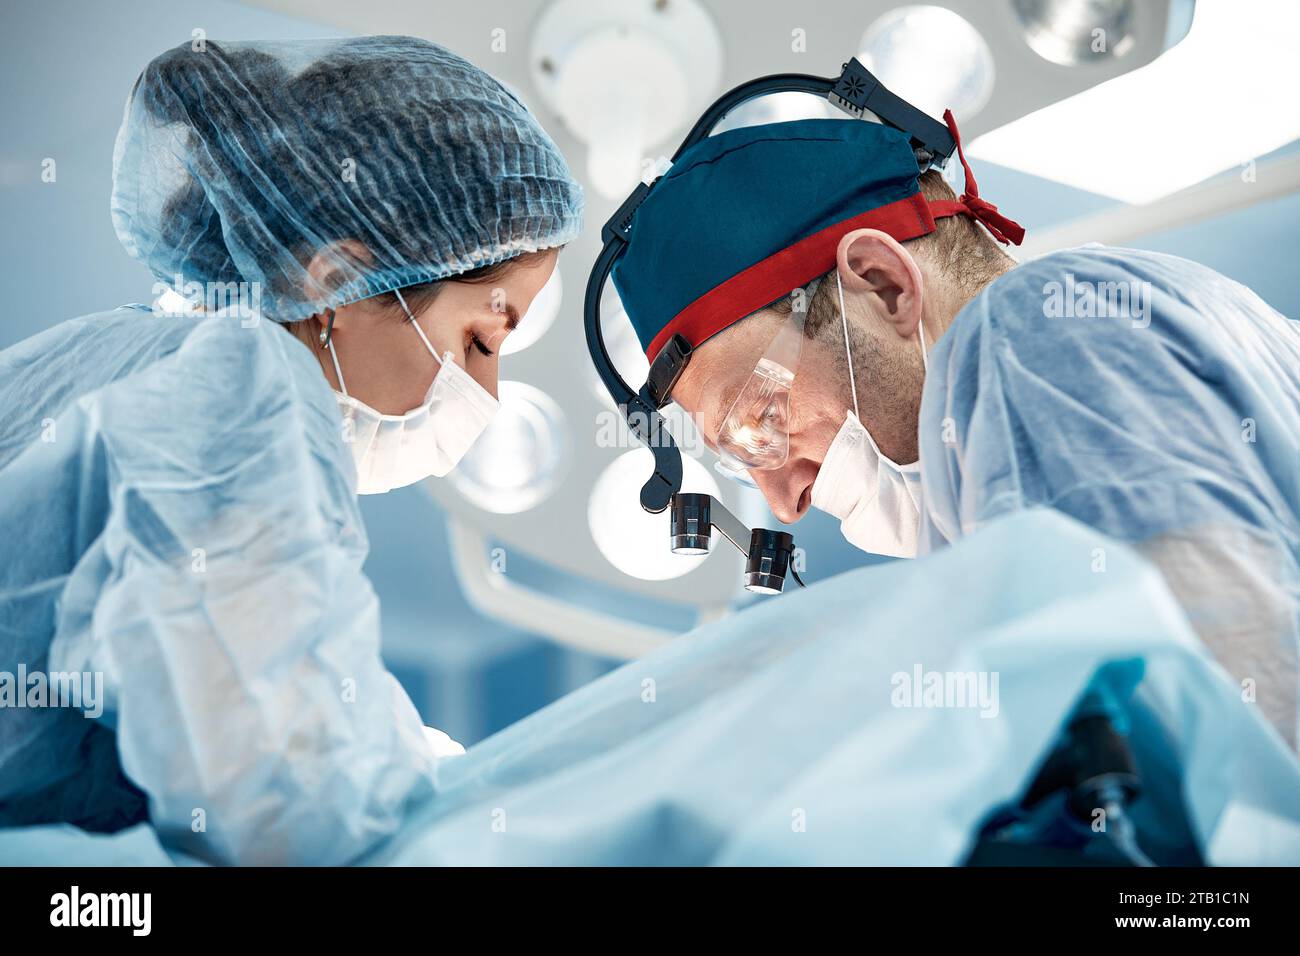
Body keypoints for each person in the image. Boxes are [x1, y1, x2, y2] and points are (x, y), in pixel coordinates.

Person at [0, 36, 583, 863]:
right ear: (332, 282)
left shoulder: (104, 358)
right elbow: (282, 793)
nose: (486, 395)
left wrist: (407, 754)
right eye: (483, 339)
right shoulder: (247, 384)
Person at [608, 113, 1300, 746]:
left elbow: (1234, 708)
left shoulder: (1032, 333)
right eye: (740, 464)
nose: (783, 503)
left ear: (883, 285)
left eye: (759, 421)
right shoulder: (1136, 318)